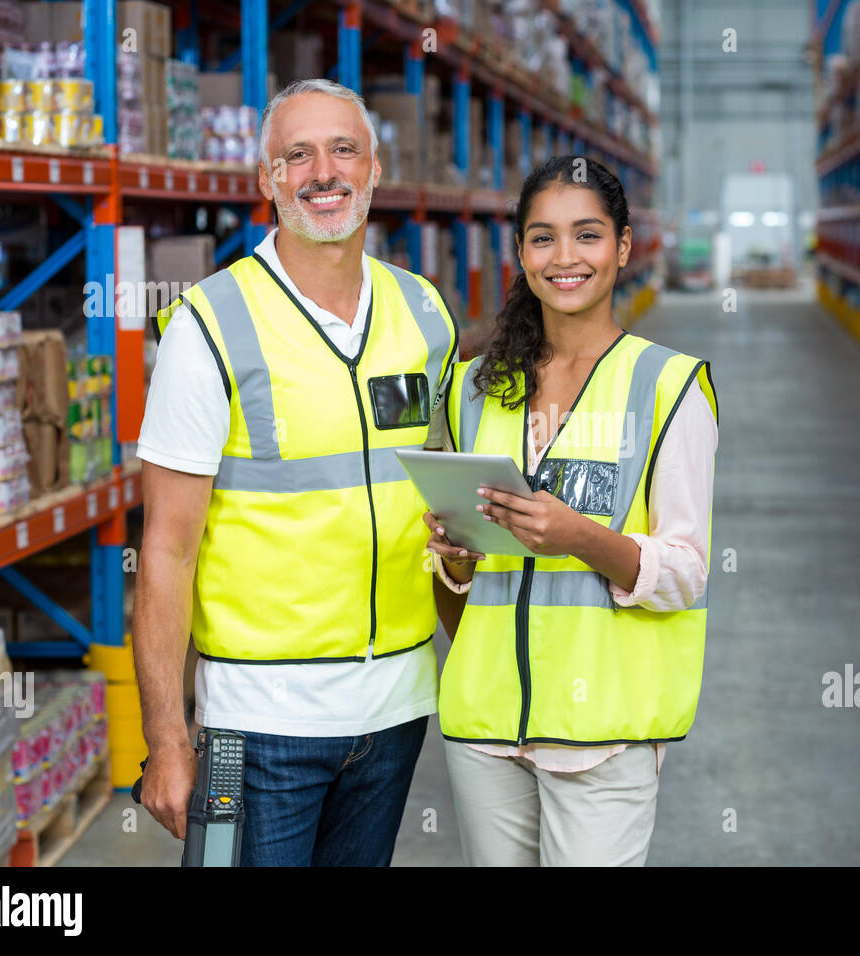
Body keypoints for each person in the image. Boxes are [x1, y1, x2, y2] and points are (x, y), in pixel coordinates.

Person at [133, 79, 459, 866]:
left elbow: (446, 507)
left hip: (394, 712)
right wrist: (167, 739)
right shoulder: (207, 326)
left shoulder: (424, 314)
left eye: (344, 149)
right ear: (267, 180)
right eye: (297, 154)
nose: (324, 171)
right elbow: (167, 551)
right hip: (252, 724)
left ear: (375, 169)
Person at [424, 156, 719, 866]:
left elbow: (687, 575)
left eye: (587, 236)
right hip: (485, 725)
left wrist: (580, 536)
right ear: (520, 253)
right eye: (542, 238)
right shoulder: (472, 390)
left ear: (623, 247)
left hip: (602, 736)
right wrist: (455, 561)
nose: (564, 258)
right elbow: (453, 586)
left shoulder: (666, 387)